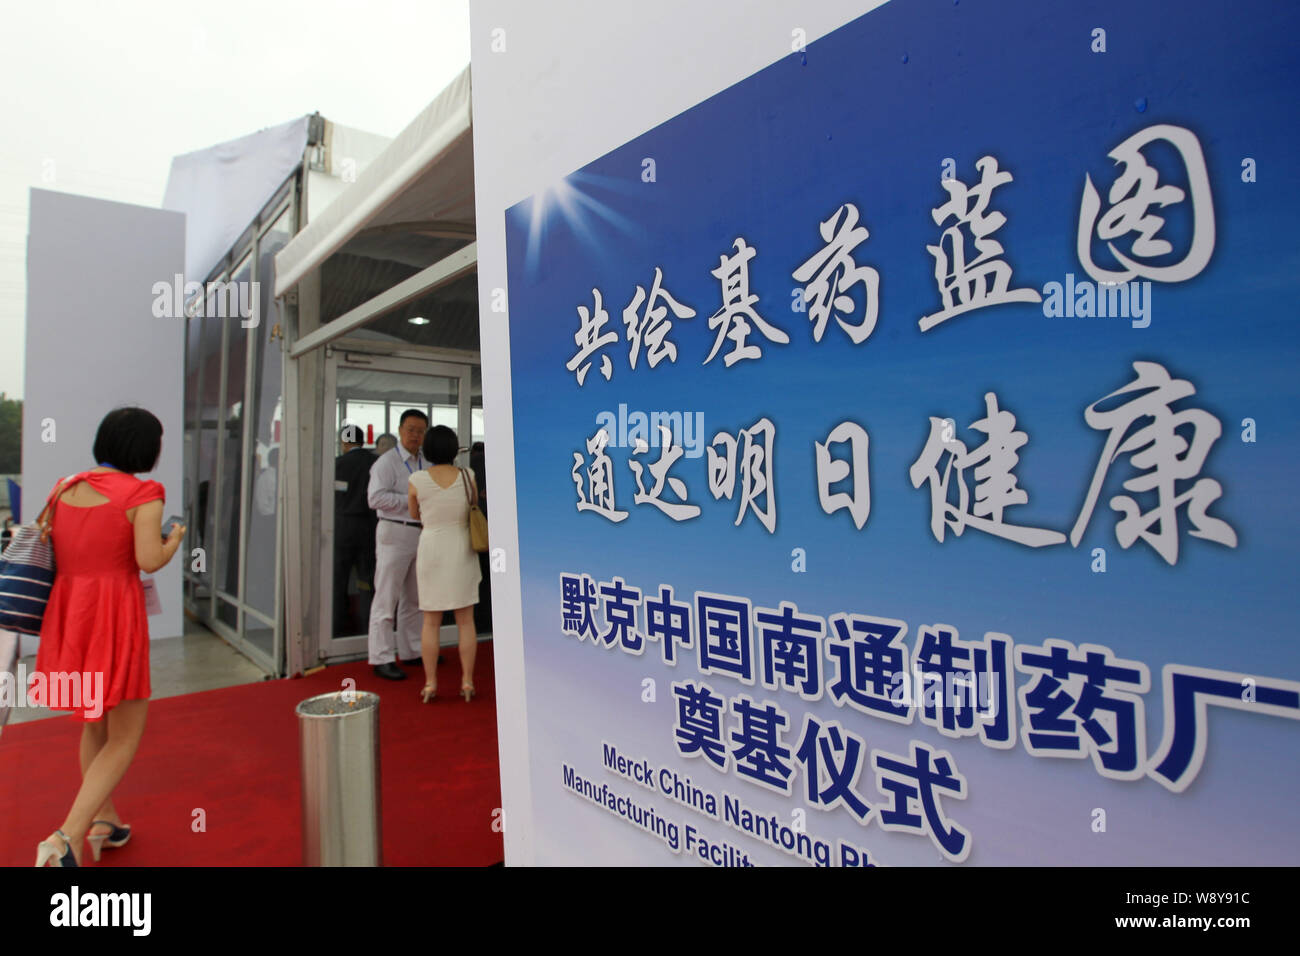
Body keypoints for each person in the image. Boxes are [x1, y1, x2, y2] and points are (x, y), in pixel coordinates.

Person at [33, 407, 185, 866]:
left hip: (70, 616)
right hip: (114, 615)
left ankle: (104, 821)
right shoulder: (144, 493)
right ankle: (64, 839)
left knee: (93, 723)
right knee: (125, 735)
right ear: (147, 449)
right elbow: (148, 559)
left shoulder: (63, 488)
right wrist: (175, 538)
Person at [408, 425, 482, 702]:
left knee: (430, 622)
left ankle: (430, 684)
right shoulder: (468, 475)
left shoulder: (416, 479)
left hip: (432, 549)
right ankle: (466, 682)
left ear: (427, 450)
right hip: (461, 547)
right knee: (466, 621)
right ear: (454, 449)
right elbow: (473, 504)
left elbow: (414, 513)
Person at [366, 410, 429, 679]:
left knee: (414, 598)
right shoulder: (387, 463)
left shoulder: (425, 462)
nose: (415, 435)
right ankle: (380, 657)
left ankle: (411, 651)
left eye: (420, 431)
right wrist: (410, 501)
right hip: (394, 532)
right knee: (386, 597)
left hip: (420, 533)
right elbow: (375, 498)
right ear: (400, 430)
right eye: (411, 429)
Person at [333, 425, 377, 636]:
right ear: (362, 441)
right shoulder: (375, 462)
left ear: (344, 442)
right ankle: (367, 625)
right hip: (369, 529)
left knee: (338, 579)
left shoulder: (338, 464)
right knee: (366, 580)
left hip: (342, 528)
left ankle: (338, 626)